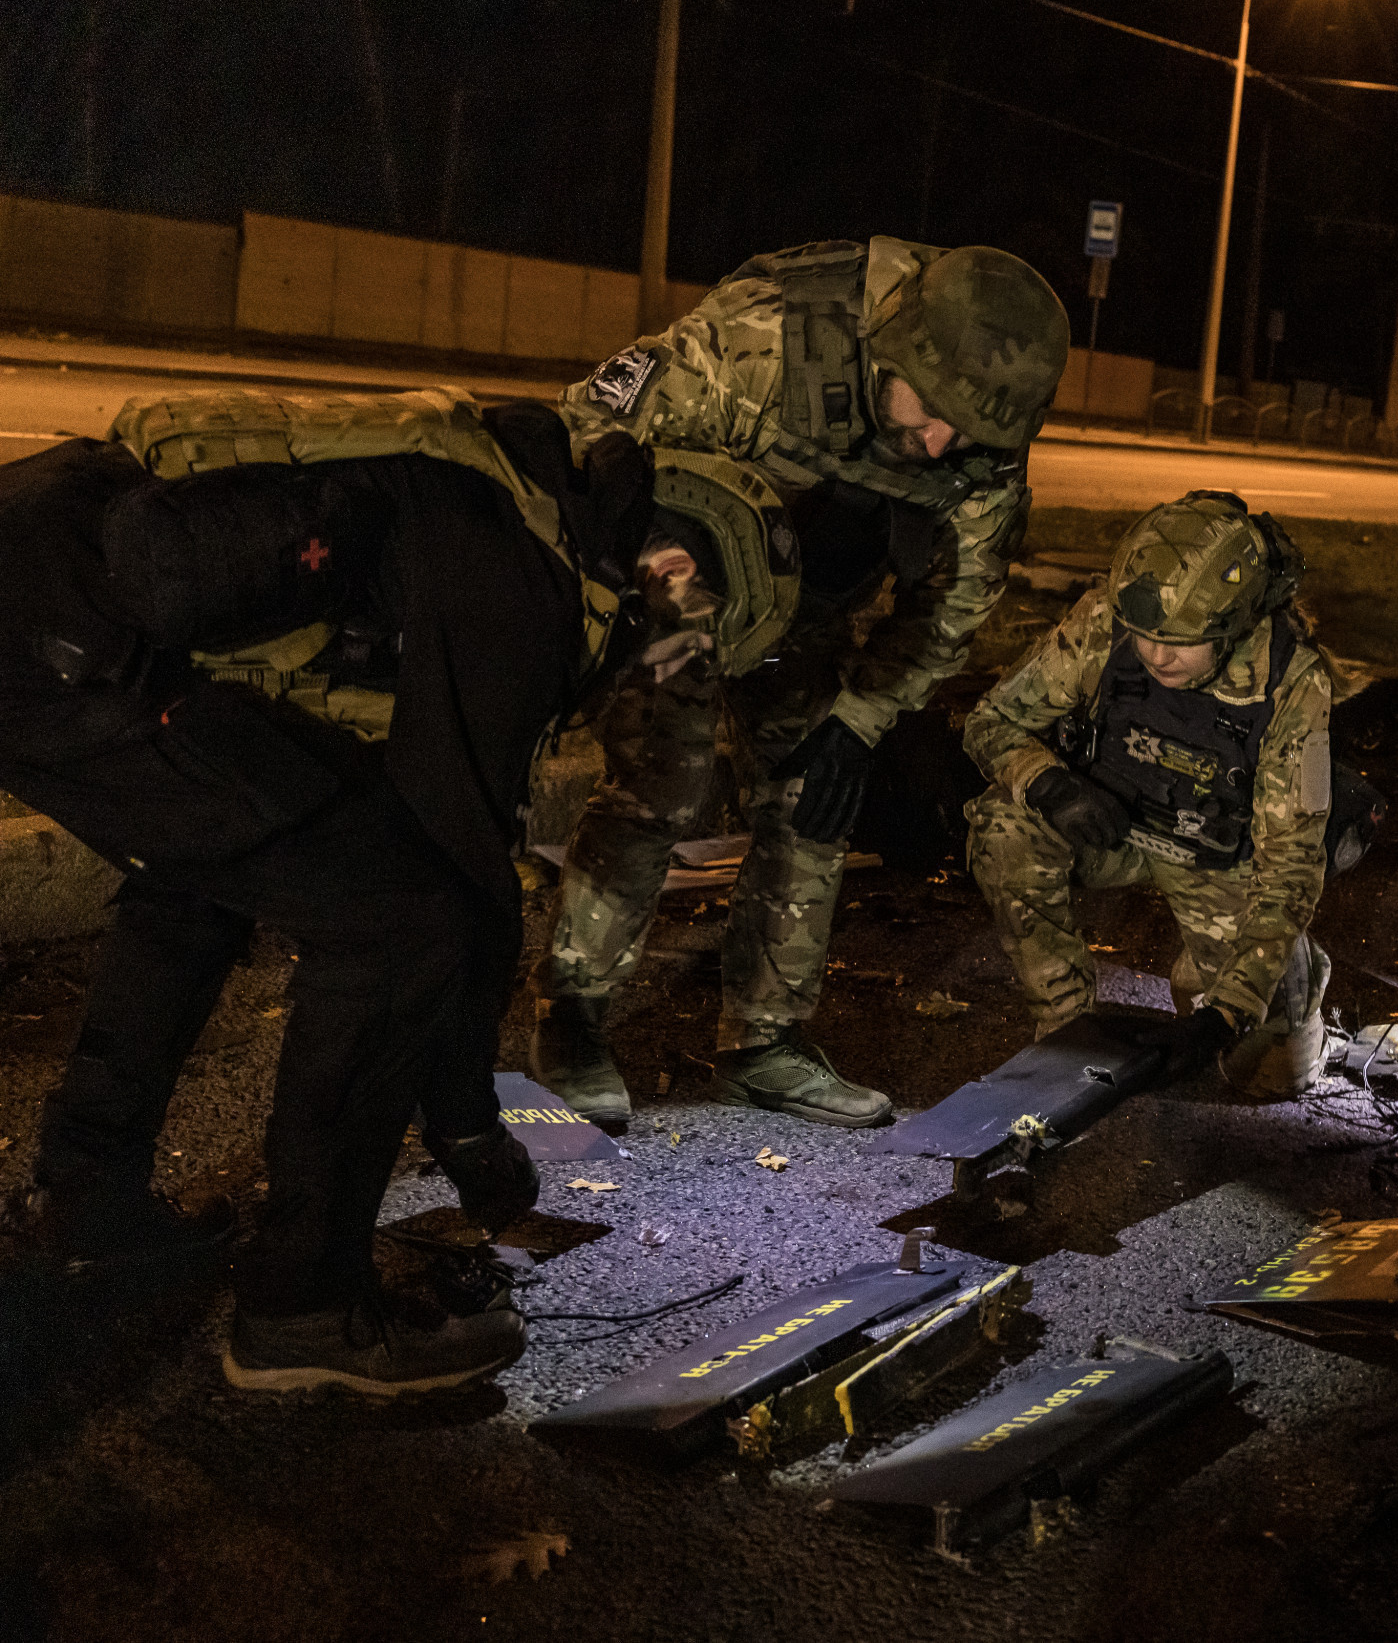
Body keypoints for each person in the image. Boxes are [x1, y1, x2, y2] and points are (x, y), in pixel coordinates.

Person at [0, 385, 784, 1391]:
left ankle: (92, 1205)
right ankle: (303, 1309)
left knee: (212, 860)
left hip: (45, 574)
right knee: (399, 927)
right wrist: (468, 1126)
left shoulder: (500, 481)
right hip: (61, 647)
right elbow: (458, 871)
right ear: (667, 582)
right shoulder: (521, 582)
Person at [534, 238, 1071, 1133]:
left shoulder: (984, 442)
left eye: (966, 435)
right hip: (676, 587)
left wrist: (859, 721)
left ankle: (763, 1041)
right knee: (663, 786)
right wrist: (656, 570)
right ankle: (573, 1015)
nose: (939, 444)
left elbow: (952, 606)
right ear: (892, 353)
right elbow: (583, 425)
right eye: (931, 412)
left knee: (815, 791)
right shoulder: (766, 341)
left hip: (805, 601)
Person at [962, 492, 1335, 1096]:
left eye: (1181, 641)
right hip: (1113, 827)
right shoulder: (1106, 623)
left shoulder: (1292, 682)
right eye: (1144, 636)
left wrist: (1226, 1012)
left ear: (1232, 624)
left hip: (1218, 857)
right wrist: (1049, 782)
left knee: (1264, 1076)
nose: (1157, 655)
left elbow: (1290, 867)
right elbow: (989, 721)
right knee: (1003, 828)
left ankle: (1293, 983)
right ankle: (1065, 1025)